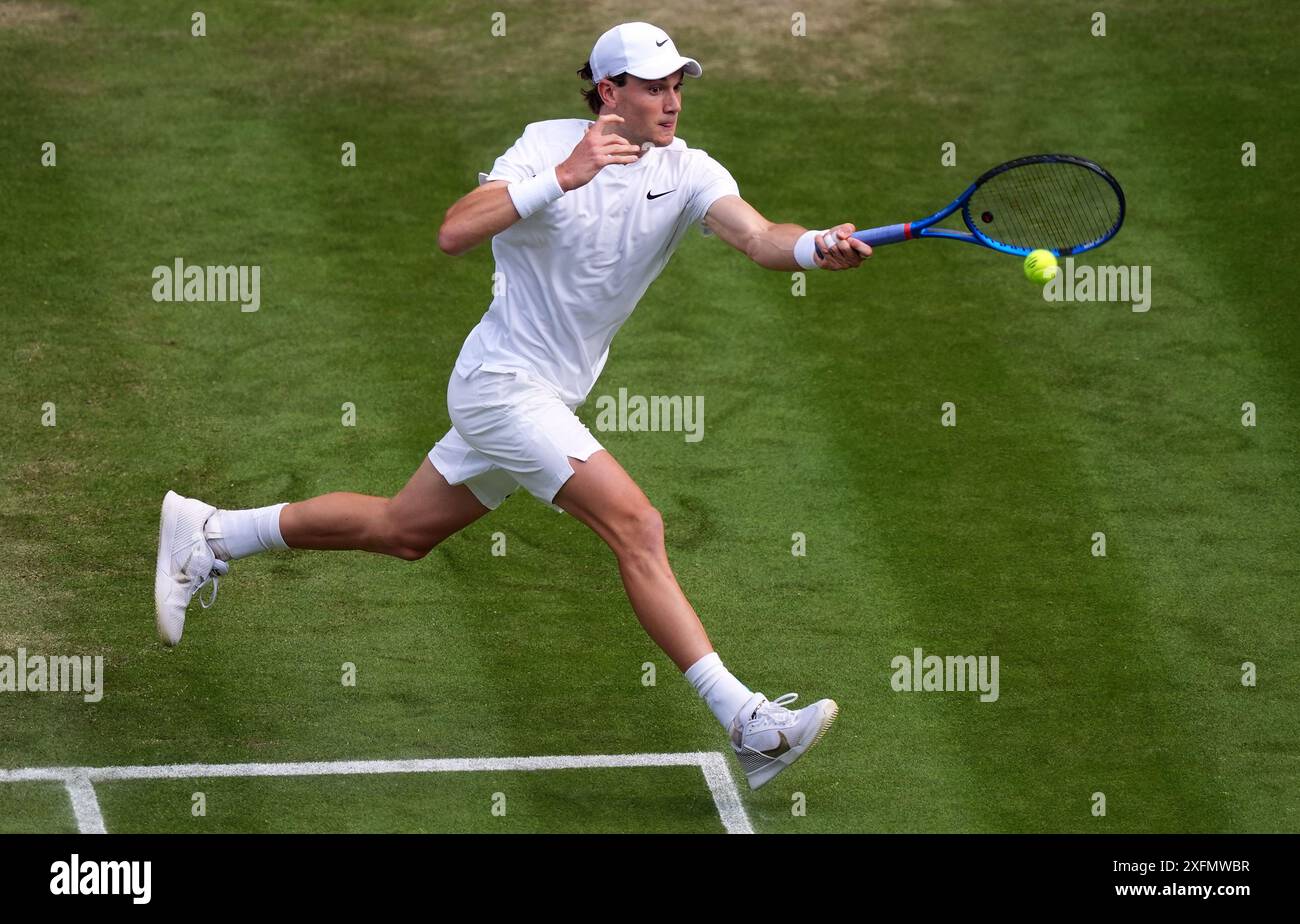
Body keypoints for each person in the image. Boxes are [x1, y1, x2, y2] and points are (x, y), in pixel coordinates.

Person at [154, 21, 872, 790]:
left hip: (547, 395)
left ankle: (215, 531)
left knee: (404, 530)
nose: (673, 101)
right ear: (609, 92)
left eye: (678, 85)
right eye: (655, 86)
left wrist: (811, 248)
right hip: (501, 386)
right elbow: (453, 232)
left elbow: (761, 236)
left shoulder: (690, 171)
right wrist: (565, 174)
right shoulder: (545, 145)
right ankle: (749, 723)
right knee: (638, 526)